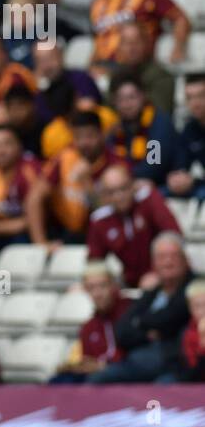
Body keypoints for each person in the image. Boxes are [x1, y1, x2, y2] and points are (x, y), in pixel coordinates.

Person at [95, 232, 194, 382]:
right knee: (99, 379)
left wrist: (140, 323)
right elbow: (122, 330)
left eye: (174, 256)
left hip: (175, 363)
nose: (168, 262)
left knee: (160, 390)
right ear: (153, 263)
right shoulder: (152, 293)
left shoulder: (195, 288)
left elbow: (170, 318)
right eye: (161, 257)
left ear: (185, 260)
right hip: (140, 360)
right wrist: (148, 334)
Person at [27, 110, 130, 246]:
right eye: (78, 137)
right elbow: (34, 198)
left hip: (106, 234)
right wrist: (41, 243)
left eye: (90, 136)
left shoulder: (116, 162)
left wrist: (86, 182)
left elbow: (112, 213)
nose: (84, 143)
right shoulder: (64, 157)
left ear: (101, 134)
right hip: (65, 233)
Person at [88, 163, 181, 289]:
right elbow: (95, 262)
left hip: (165, 276)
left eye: (123, 188)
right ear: (104, 196)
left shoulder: (148, 199)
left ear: (133, 185)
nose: (119, 196)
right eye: (111, 192)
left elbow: (173, 236)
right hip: (129, 281)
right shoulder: (100, 219)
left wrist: (157, 273)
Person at [51, 264, 131, 383]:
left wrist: (102, 366)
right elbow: (88, 360)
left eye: (102, 286)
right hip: (97, 378)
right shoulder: (88, 327)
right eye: (91, 288)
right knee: (59, 380)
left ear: (114, 286)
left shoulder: (130, 312)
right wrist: (77, 367)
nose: (97, 294)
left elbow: (136, 357)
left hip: (124, 374)